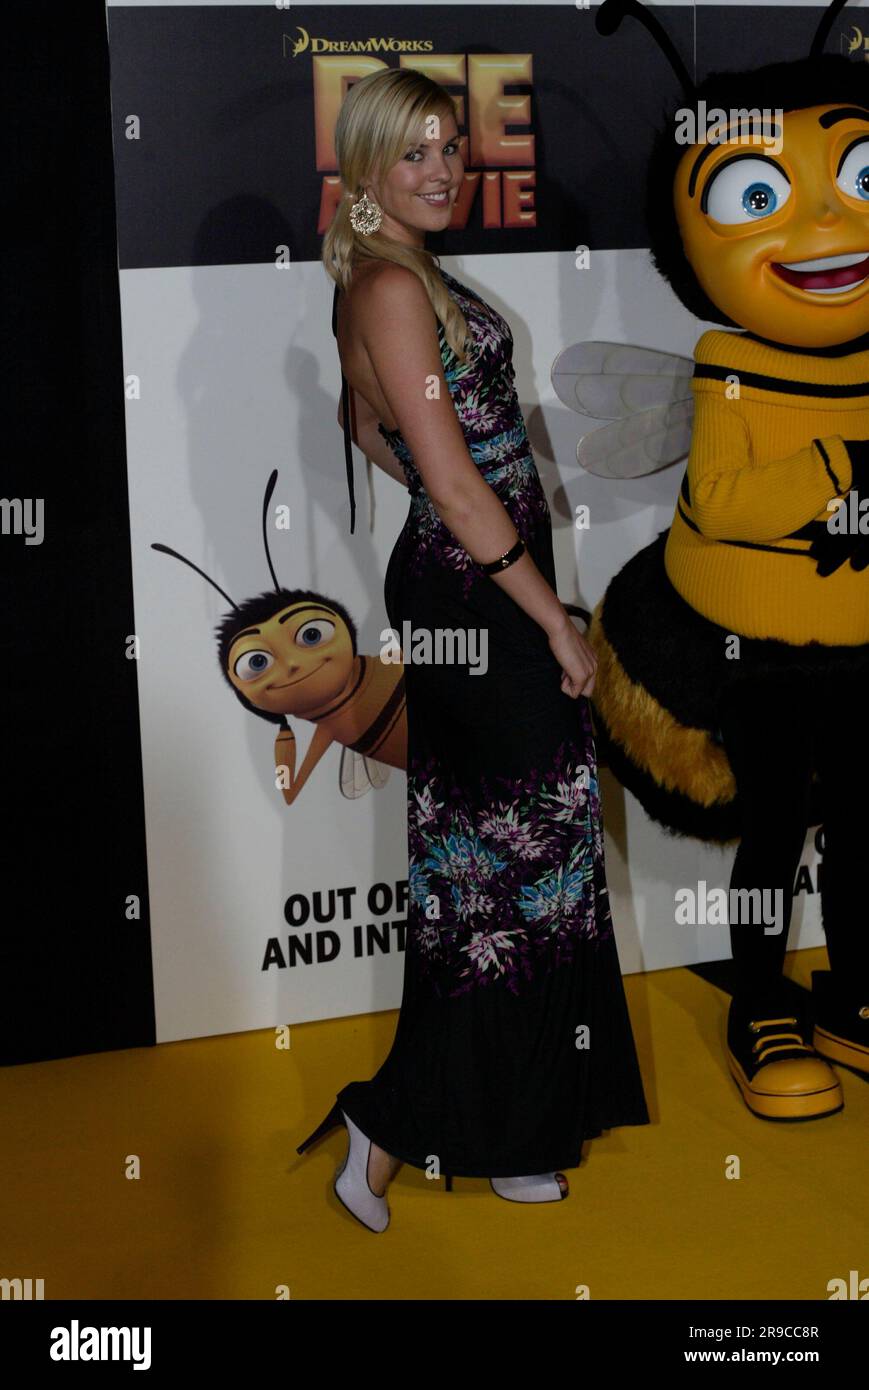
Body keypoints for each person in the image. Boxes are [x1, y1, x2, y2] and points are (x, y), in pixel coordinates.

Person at [297, 67, 648, 1232]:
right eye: (414, 153)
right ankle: (419, 1122)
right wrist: (552, 617)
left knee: (493, 875)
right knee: (517, 865)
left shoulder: (392, 273)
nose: (443, 170)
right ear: (366, 166)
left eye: (451, 148)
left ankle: (462, 1130)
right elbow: (445, 471)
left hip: (466, 576)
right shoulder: (392, 287)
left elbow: (369, 426)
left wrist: (462, 505)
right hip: (483, 601)